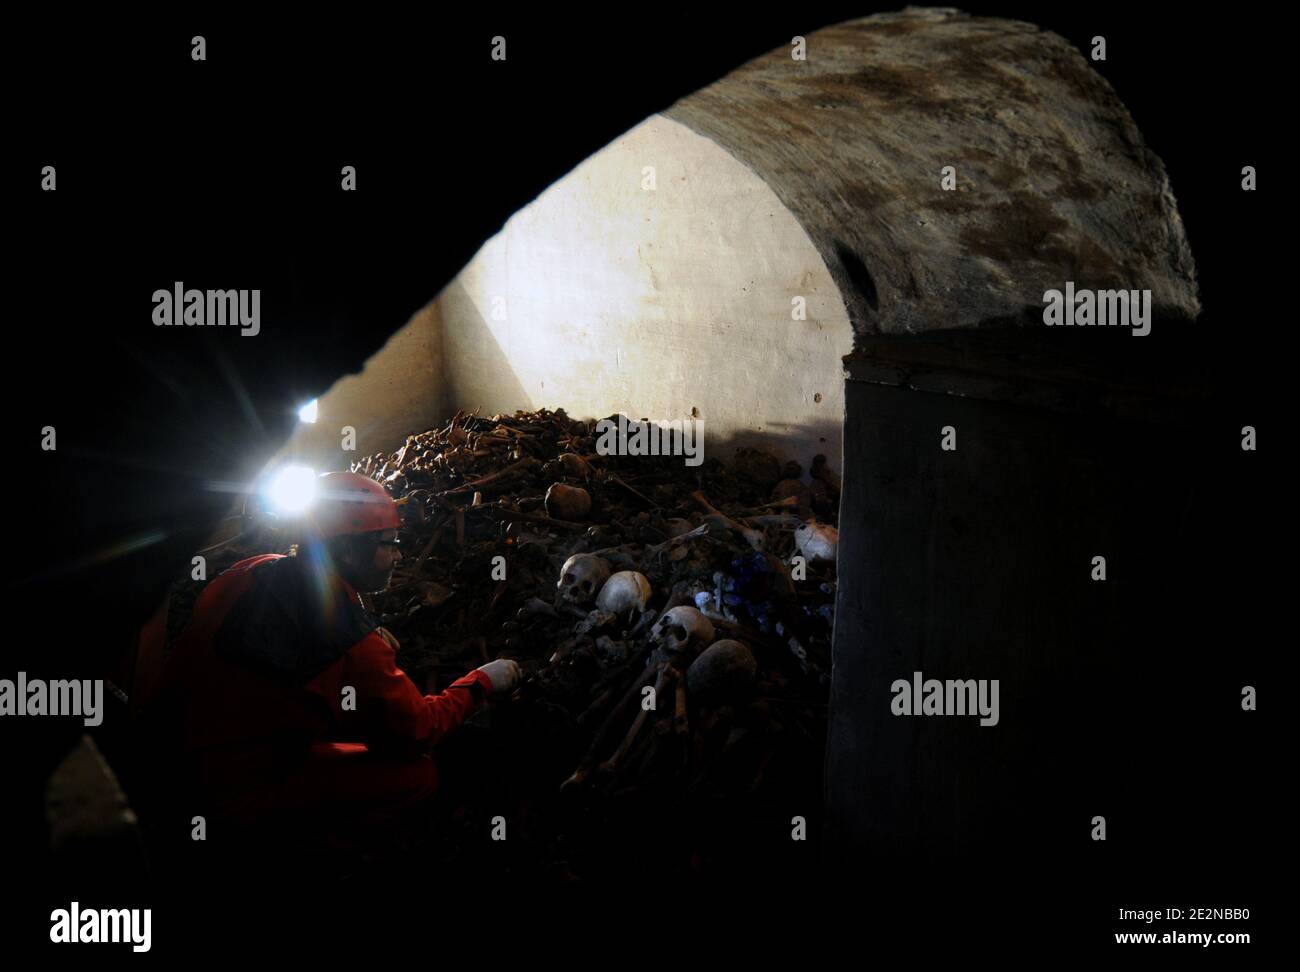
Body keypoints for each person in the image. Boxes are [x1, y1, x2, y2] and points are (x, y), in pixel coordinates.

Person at [147, 471, 519, 845]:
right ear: (346, 551)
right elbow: (419, 731)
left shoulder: (253, 569)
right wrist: (482, 681)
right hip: (227, 792)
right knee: (419, 776)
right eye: (389, 544)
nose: (399, 555)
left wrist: (359, 642)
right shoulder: (353, 646)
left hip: (163, 756)